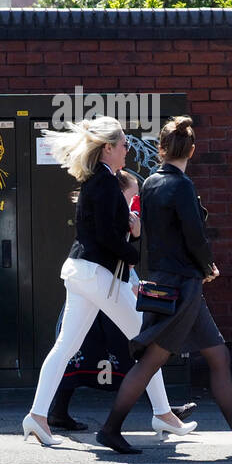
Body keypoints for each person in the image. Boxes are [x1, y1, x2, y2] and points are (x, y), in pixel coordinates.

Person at [95, 116, 232, 455]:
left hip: (165, 282)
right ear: (191, 150)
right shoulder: (182, 186)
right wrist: (208, 266)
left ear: (161, 149)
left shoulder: (149, 183)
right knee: (151, 362)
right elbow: (195, 236)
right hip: (184, 286)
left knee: (218, 355)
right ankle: (110, 428)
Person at [22, 116, 191, 445]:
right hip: (100, 275)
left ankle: (37, 417)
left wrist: (126, 232)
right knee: (148, 342)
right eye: (123, 144)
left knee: (65, 348)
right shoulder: (104, 184)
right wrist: (133, 243)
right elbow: (106, 238)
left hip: (84, 273)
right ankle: (163, 414)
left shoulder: (99, 180)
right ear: (108, 148)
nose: (128, 149)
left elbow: (100, 232)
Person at [46, 169, 196, 431]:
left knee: (74, 350)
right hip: (101, 287)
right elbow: (115, 254)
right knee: (91, 351)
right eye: (133, 195)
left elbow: (119, 259)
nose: (135, 200)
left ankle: (162, 411)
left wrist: (134, 237)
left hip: (100, 287)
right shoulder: (111, 210)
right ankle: (159, 413)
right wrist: (134, 248)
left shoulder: (118, 212)